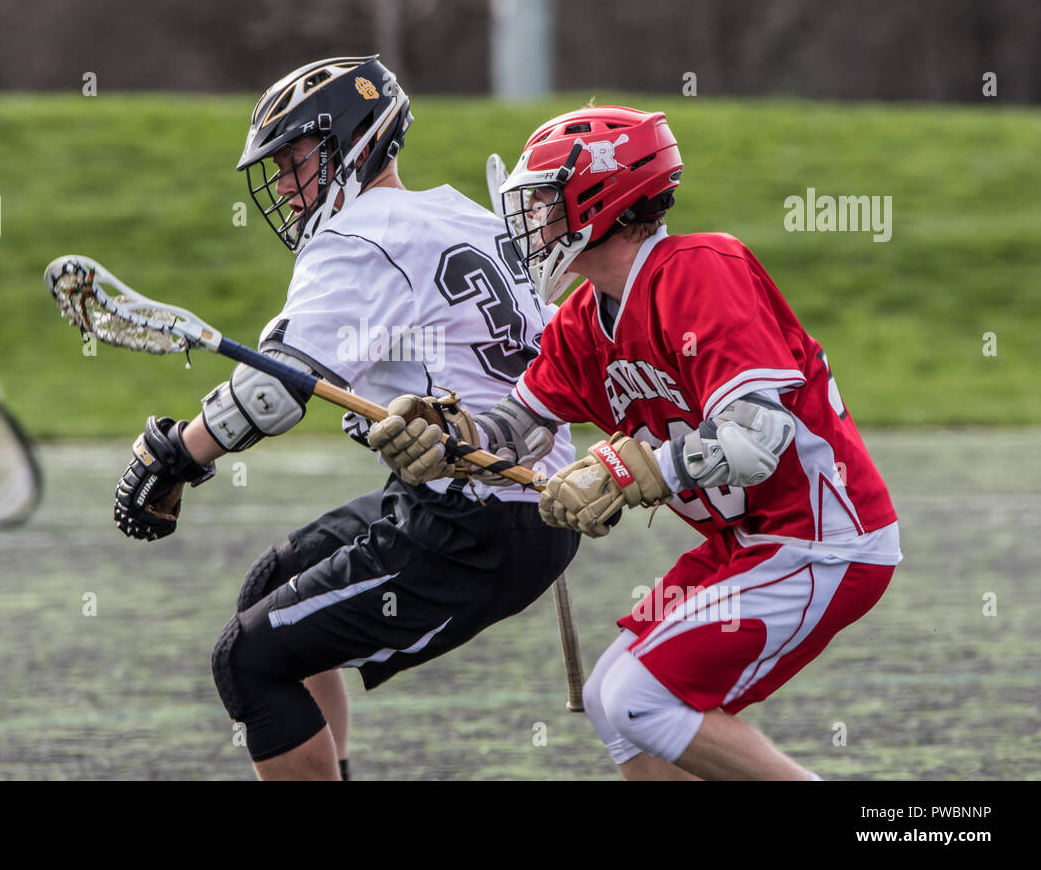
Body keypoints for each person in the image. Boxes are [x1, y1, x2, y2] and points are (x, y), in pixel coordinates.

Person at [370, 105, 900, 780]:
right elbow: (514, 432)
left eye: (544, 203)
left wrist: (630, 471)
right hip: (746, 545)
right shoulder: (581, 321)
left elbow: (758, 437)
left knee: (638, 699)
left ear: (599, 197)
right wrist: (447, 437)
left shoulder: (701, 270)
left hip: (823, 538)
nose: (531, 222)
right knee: (609, 702)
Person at [111, 55, 579, 780]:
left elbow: (273, 393)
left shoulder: (359, 237)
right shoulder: (465, 215)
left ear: (353, 143)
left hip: (479, 525)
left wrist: (178, 455)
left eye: (297, 160)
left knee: (249, 662)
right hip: (516, 500)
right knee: (270, 592)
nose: (286, 186)